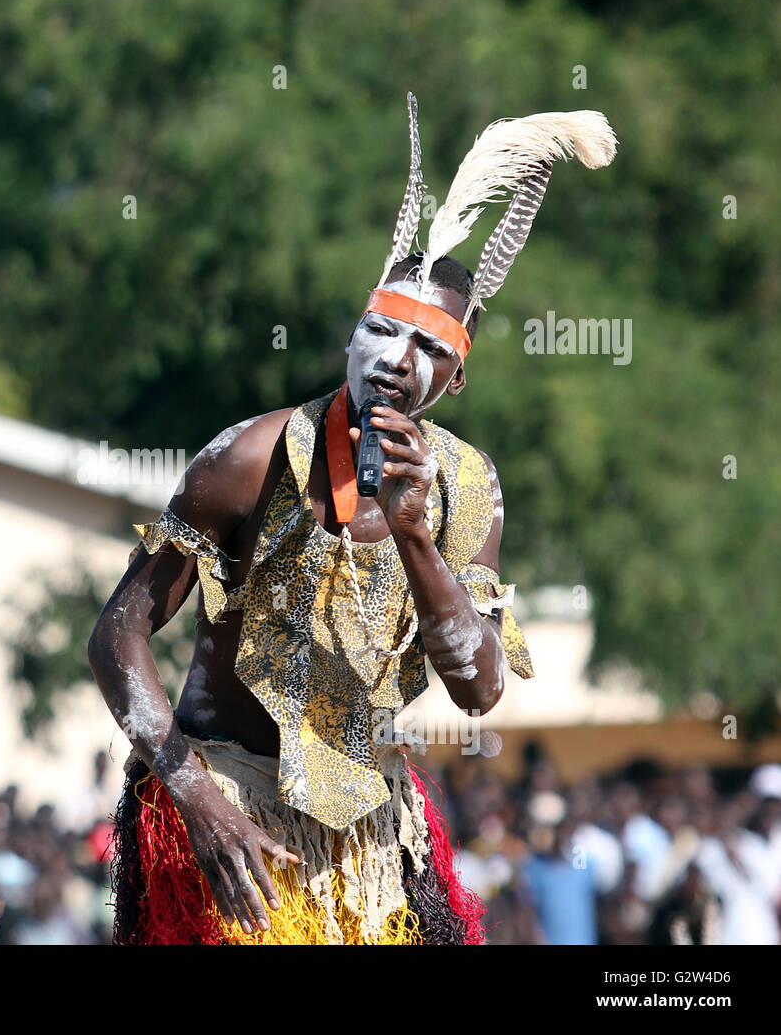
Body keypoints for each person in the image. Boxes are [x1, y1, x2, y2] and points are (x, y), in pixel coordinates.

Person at [89, 94, 616, 945]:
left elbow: (478, 689)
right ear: (351, 334)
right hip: (223, 800)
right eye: (379, 331)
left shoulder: (468, 489)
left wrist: (415, 536)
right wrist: (196, 803)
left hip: (370, 834)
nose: (395, 363)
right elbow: (115, 636)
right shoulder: (251, 459)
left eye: (429, 349)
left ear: (457, 376)